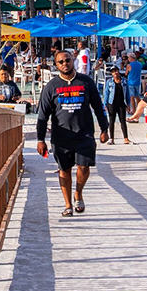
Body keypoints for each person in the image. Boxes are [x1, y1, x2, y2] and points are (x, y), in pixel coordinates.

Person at [37, 50, 109, 217]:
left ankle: (78, 193)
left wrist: (104, 129)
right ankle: (68, 204)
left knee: (84, 167)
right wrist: (41, 139)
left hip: (84, 134)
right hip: (62, 137)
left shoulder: (86, 82)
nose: (64, 64)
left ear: (73, 61)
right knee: (64, 169)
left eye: (67, 60)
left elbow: (98, 106)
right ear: (56, 65)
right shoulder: (51, 87)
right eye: (61, 62)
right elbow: (42, 115)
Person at [103, 66, 131, 144]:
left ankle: (126, 138)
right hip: (112, 103)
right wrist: (105, 104)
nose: (115, 73)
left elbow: (127, 93)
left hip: (122, 103)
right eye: (113, 72)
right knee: (112, 121)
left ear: (118, 71)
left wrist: (128, 104)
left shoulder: (124, 81)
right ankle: (111, 138)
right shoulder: (109, 82)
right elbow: (106, 94)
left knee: (123, 120)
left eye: (115, 71)